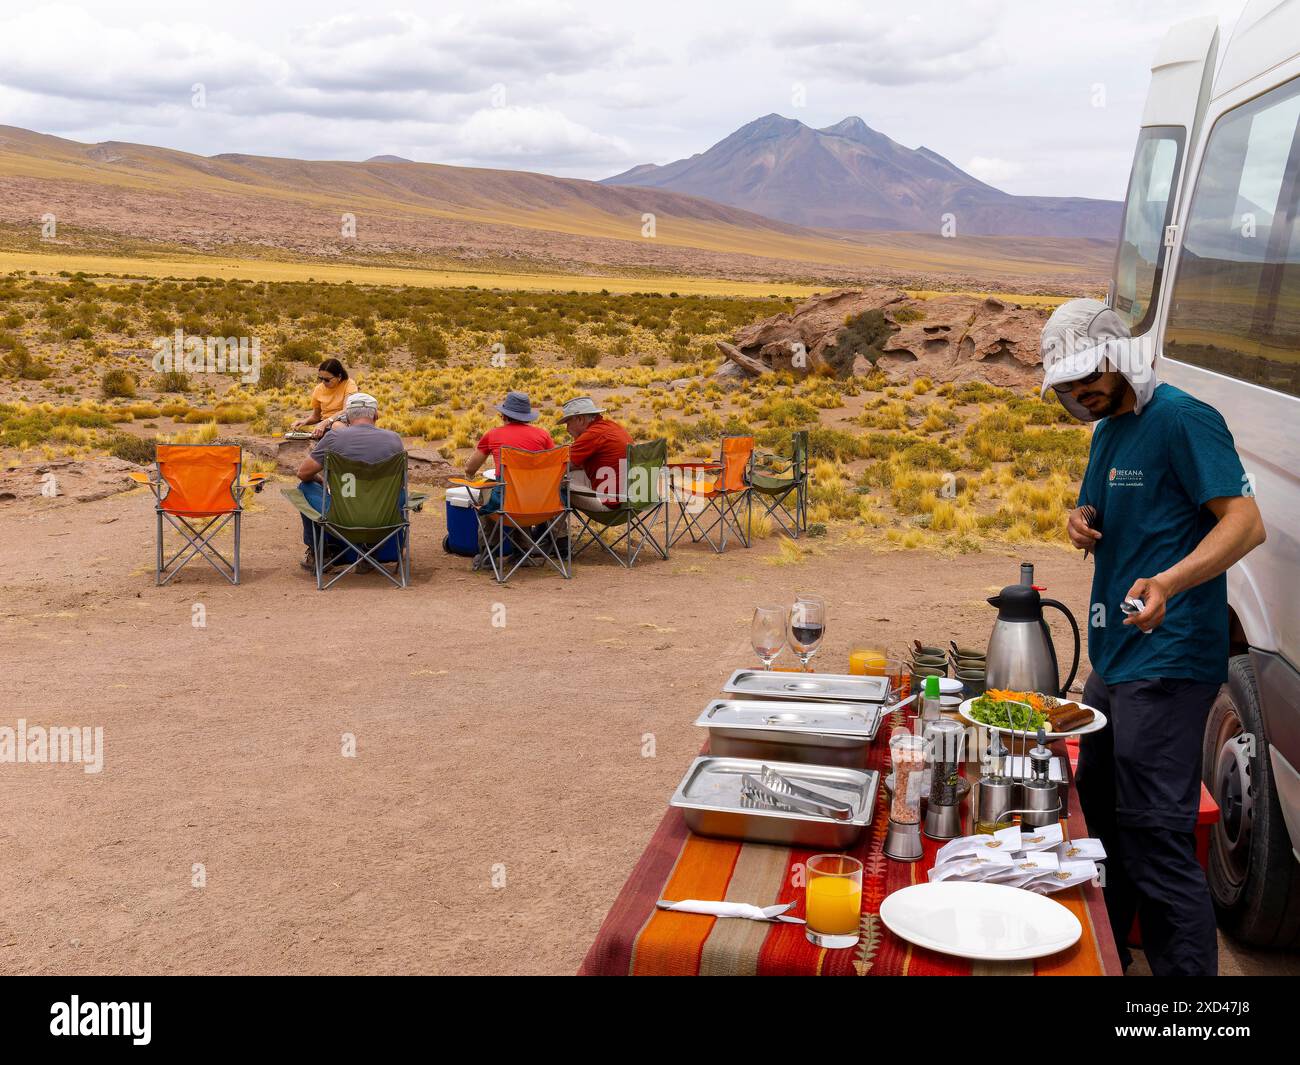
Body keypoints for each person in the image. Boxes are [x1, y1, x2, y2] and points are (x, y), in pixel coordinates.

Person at [1041, 298, 1266, 977]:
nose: (1080, 393)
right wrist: (1081, 522)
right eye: (1067, 384)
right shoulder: (1109, 428)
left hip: (1168, 665)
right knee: (1101, 830)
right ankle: (1113, 963)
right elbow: (1107, 512)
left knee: (1158, 842)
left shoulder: (1184, 420)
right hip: (1115, 659)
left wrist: (1168, 580)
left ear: (1121, 352)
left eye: (1088, 375)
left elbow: (1244, 524)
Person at [295, 392, 406, 571]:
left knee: (304, 487)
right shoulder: (394, 439)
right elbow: (400, 483)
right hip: (384, 519)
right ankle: (370, 553)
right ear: (376, 415)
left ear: (346, 416)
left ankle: (319, 554)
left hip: (340, 520)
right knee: (401, 493)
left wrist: (322, 481)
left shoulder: (333, 438)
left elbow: (303, 473)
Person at [559, 396, 633, 512]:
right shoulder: (612, 426)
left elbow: (560, 467)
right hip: (634, 497)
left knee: (556, 484)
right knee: (569, 476)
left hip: (611, 502)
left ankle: (549, 530)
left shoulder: (592, 434)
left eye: (568, 423)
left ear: (580, 419)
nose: (567, 429)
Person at [291, 358, 358, 439]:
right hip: (325, 426)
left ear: (339, 376)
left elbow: (346, 410)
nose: (323, 382)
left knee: (337, 426)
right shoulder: (318, 389)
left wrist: (326, 422)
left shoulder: (349, 384)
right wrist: (304, 421)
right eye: (321, 378)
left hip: (344, 423)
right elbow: (316, 417)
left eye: (327, 379)